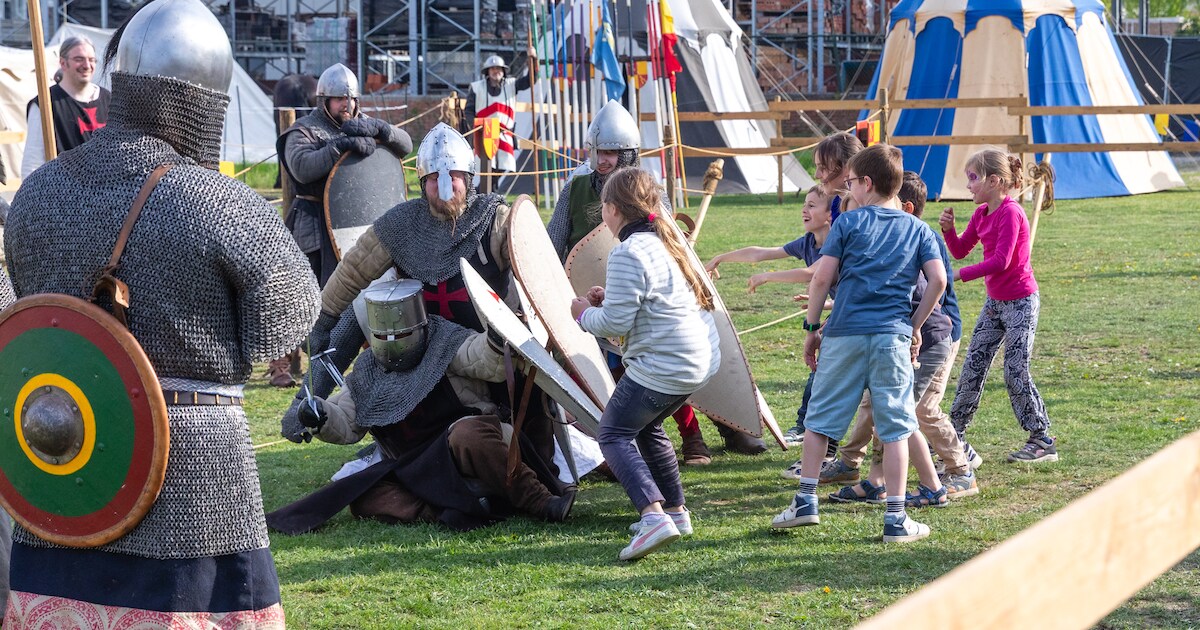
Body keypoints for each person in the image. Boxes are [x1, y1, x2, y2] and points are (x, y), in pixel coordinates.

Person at [3, 0, 319, 626]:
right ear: (205, 101)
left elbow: (29, 310)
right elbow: (283, 323)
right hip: (192, 473)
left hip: (64, 464)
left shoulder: (39, 192)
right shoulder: (218, 202)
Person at [549, 99, 762, 461]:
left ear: (629, 153)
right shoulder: (576, 188)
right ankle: (613, 438)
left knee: (665, 359)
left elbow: (665, 244)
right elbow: (555, 244)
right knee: (626, 370)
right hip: (591, 293)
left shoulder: (642, 188)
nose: (603, 159)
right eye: (599, 150)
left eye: (613, 152)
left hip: (645, 288)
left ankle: (705, 433)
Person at [268, 286, 574, 533]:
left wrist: (495, 338)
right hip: (420, 470)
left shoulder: (446, 342)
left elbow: (481, 358)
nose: (393, 339)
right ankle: (453, 509)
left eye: (399, 331)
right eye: (385, 334)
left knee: (470, 433)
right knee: (363, 494)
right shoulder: (367, 372)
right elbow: (345, 421)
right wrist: (319, 415)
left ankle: (540, 502)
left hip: (471, 453)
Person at [769, 143, 946, 543]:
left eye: (850, 182)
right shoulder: (919, 228)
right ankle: (896, 519)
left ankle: (805, 502)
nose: (847, 189)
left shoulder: (847, 224)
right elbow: (938, 281)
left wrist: (811, 327)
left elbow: (820, 278)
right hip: (892, 338)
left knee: (820, 421)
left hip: (844, 335)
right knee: (897, 427)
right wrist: (915, 326)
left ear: (866, 183)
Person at [570, 167, 721, 560]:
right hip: (697, 360)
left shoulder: (628, 250)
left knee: (613, 434)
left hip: (667, 363)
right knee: (647, 425)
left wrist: (582, 313)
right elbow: (650, 305)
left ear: (613, 210)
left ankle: (653, 518)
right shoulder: (665, 242)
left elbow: (616, 324)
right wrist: (608, 298)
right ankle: (675, 510)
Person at [824, 171, 977, 503]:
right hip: (904, 337)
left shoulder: (917, 238)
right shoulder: (894, 235)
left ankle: (959, 470)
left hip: (931, 338)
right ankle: (877, 480)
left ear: (902, 207)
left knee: (913, 411)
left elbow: (918, 292)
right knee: (887, 409)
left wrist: (913, 328)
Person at [273, 62, 413, 387]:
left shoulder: (363, 125)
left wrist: (383, 130)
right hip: (310, 226)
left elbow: (405, 146)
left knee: (353, 297)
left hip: (351, 228)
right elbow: (302, 167)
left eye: (350, 100)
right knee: (297, 297)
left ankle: (347, 359)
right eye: (339, 100)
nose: (346, 106)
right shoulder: (305, 131)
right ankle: (281, 365)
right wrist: (338, 146)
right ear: (324, 101)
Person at [939, 149, 1056, 464]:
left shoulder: (1011, 212)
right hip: (995, 304)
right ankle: (956, 439)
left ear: (995, 180)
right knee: (973, 366)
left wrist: (958, 276)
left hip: (1020, 302)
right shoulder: (981, 214)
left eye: (973, 179)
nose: (969, 186)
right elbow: (962, 250)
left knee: (1015, 369)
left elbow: (1001, 261)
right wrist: (949, 231)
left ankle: (1041, 439)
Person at [22, 36, 111, 178]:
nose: (87, 65)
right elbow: (33, 162)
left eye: (91, 60)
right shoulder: (46, 104)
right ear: (63, 63)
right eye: (79, 59)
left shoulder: (110, 101)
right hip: (64, 194)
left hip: (108, 192)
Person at [466, 50, 535, 189]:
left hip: (504, 134)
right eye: (492, 68)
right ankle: (484, 193)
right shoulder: (477, 87)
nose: (495, 71)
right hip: (484, 134)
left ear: (503, 71)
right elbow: (468, 111)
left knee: (503, 165)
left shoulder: (511, 84)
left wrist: (532, 60)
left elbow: (530, 80)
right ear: (487, 71)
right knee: (486, 168)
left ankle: (487, 193)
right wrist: (476, 127)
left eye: (498, 68)